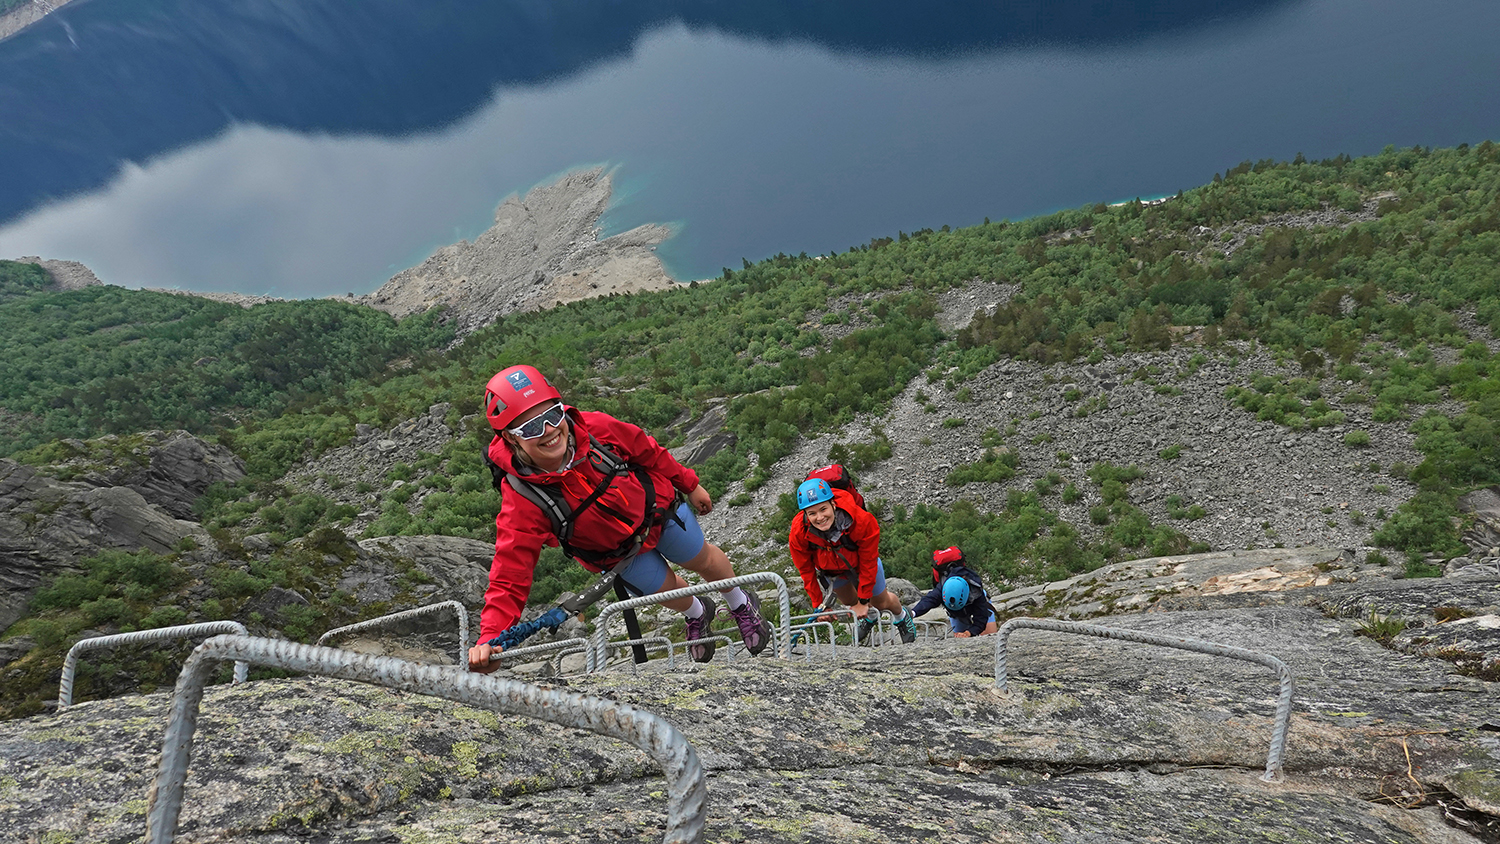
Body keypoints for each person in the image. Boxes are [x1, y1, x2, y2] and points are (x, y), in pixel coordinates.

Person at [466, 364, 771, 671]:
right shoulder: (522, 498)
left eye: (553, 415)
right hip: (616, 553)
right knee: (666, 591)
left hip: (657, 512)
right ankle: (697, 612)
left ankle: (740, 602)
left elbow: (647, 450)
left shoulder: (594, 428)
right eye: (531, 428)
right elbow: (510, 574)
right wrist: (491, 638)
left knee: (702, 560)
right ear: (510, 438)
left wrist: (689, 484)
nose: (549, 430)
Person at [788, 477, 917, 645]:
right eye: (812, 513)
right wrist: (819, 605)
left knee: (881, 602)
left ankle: (902, 616)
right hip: (833, 571)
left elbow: (868, 560)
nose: (819, 517)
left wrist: (863, 600)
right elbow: (806, 570)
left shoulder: (860, 520)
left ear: (833, 504)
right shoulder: (799, 532)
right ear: (805, 514)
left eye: (823, 509)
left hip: (862, 566)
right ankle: (871, 616)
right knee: (849, 602)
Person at [911, 546, 998, 638]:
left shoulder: (976, 593)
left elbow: (981, 619)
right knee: (960, 638)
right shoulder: (942, 589)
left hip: (975, 600)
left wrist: (968, 633)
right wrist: (912, 613)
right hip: (957, 614)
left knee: (989, 636)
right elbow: (929, 600)